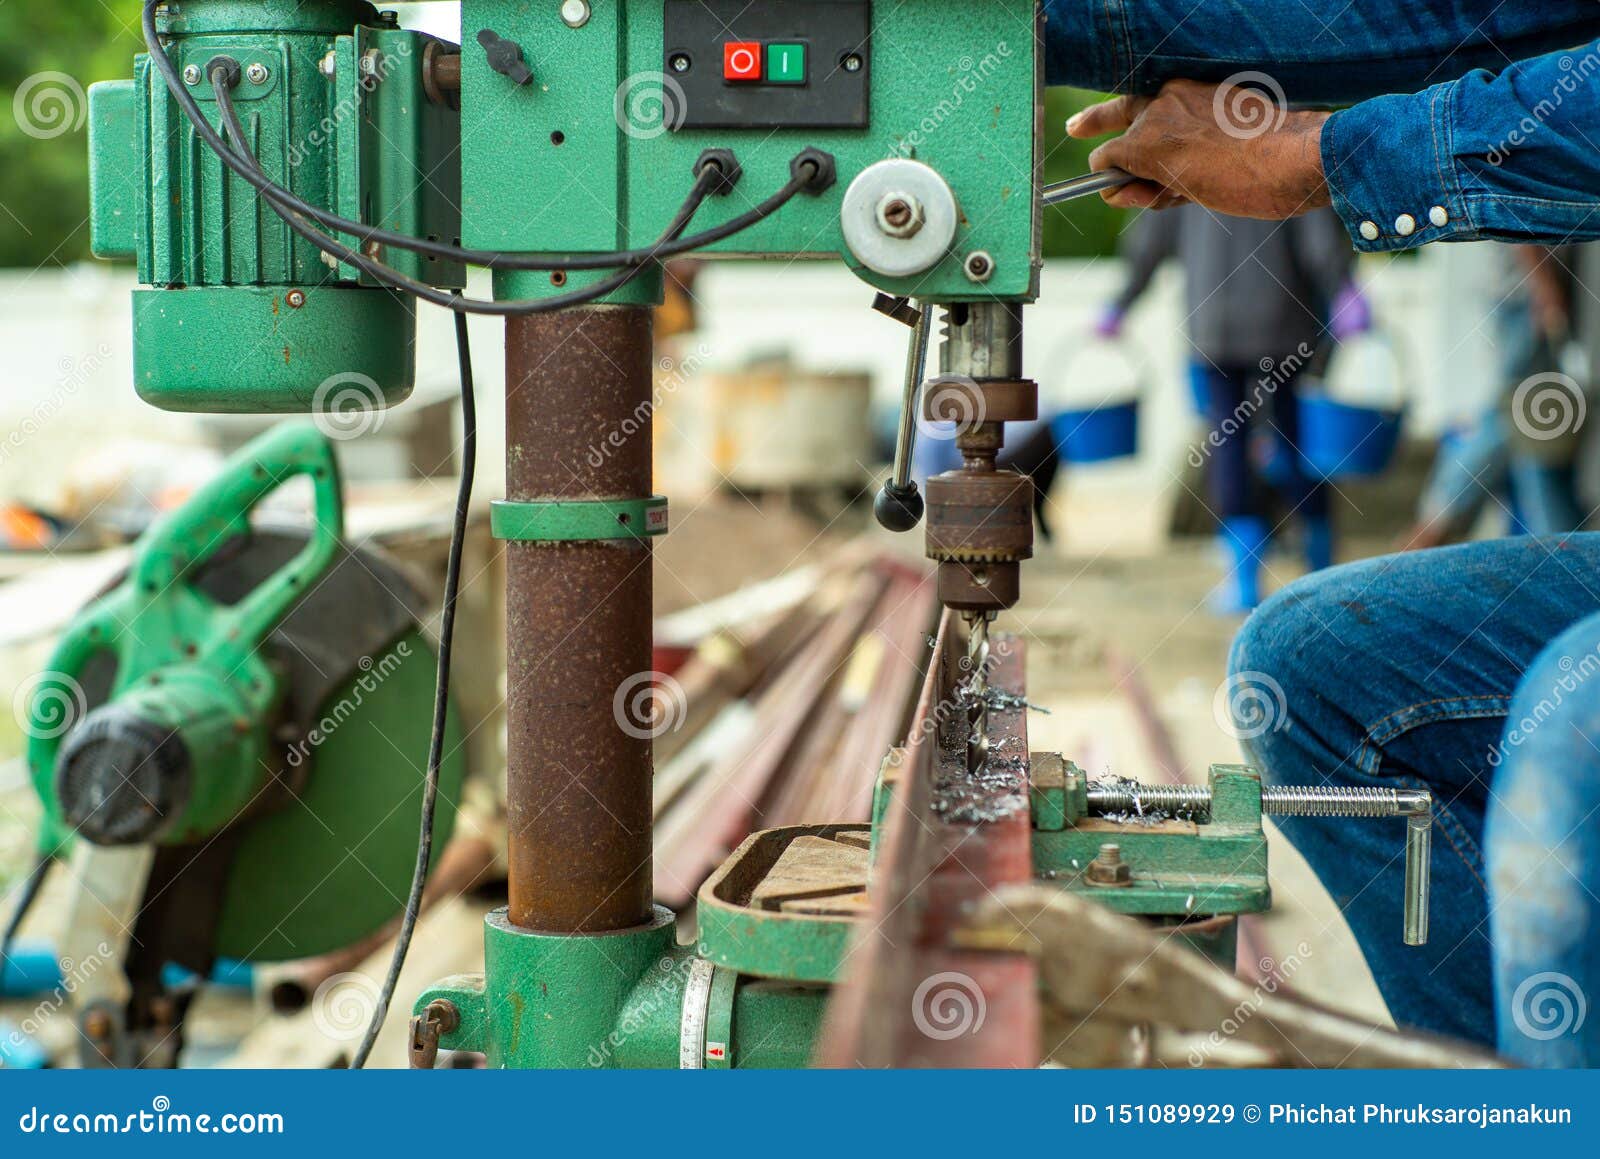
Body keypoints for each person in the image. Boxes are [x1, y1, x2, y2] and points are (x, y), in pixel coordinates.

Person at [1042, 3, 1600, 1065]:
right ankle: (1481, 1082)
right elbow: (1468, 22)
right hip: (1220, 343)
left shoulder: (1258, 188)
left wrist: (1314, 159)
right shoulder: (1187, 174)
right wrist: (1065, 26)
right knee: (1303, 652)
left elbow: (1313, 216)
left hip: (1275, 341)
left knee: (1571, 729)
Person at [1099, 204, 1362, 610]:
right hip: (1285, 328)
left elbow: (1150, 238)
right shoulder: (1283, 142)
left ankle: (1244, 582)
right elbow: (1317, 236)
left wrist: (1122, 301)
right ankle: (1320, 567)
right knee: (1298, 444)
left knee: (1228, 448)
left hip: (1215, 331)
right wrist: (1343, 287)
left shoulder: (1182, 156)